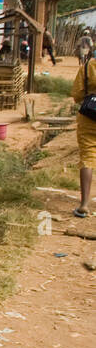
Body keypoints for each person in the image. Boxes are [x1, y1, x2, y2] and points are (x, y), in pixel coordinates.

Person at [69, 44, 96, 219]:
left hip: (89, 116)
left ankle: (84, 204)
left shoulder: (87, 67)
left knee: (88, 156)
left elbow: (77, 95)